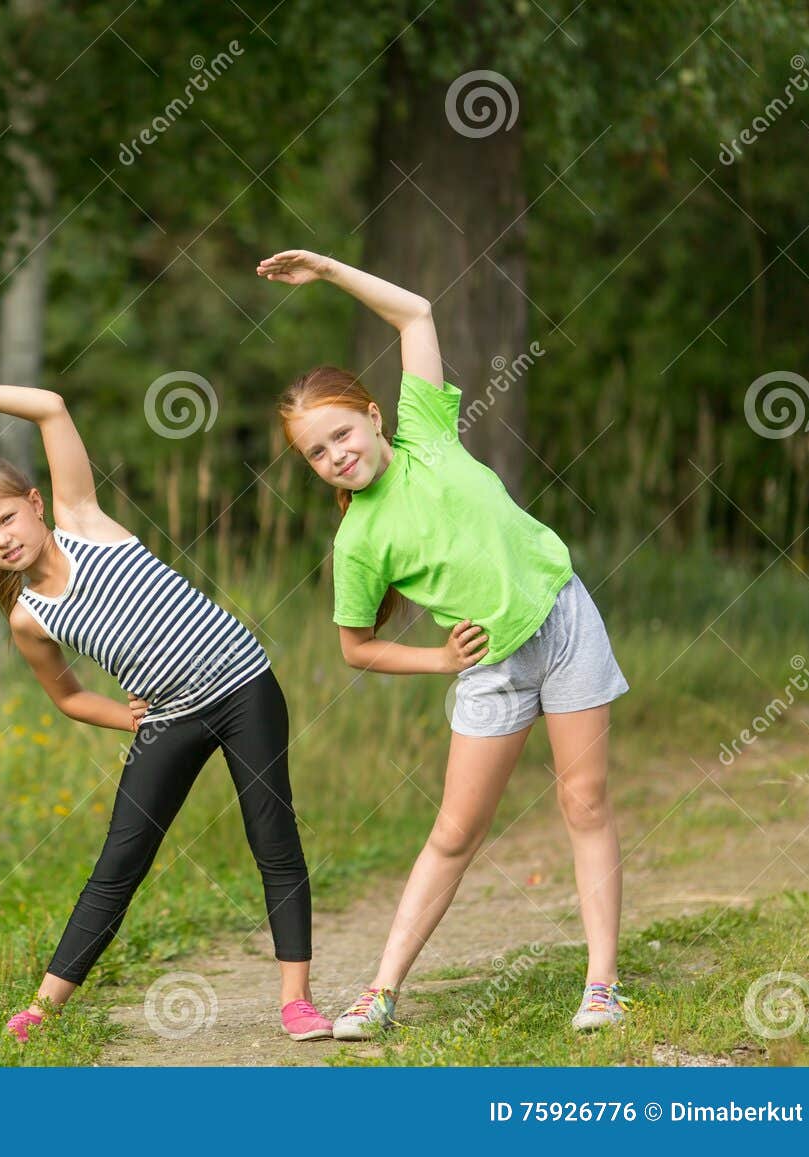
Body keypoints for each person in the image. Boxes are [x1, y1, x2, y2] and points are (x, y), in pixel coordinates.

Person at [258, 247, 629, 1037]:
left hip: (563, 621)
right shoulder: (357, 543)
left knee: (584, 799)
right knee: (455, 832)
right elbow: (356, 647)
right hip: (490, 667)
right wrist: (439, 659)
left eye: (340, 434)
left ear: (373, 415)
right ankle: (381, 991)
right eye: (317, 453)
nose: (336, 456)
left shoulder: (426, 431)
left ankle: (601, 985)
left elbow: (415, 312)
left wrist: (328, 271)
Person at [0, 382, 328, 1044]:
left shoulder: (86, 521)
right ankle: (42, 1009)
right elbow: (67, 696)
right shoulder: (28, 618)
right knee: (119, 859)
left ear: (35, 505)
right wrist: (131, 721)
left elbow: (52, 406)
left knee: (272, 836)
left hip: (243, 686)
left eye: (7, 518)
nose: (1, 538)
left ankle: (297, 999)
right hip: (168, 718)